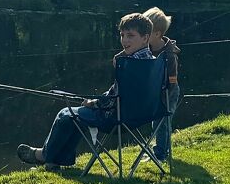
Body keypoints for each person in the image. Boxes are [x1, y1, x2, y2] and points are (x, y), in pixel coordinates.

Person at [17, 13, 156, 168]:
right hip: (141, 117)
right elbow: (121, 95)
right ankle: (56, 161)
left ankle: (43, 155)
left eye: (131, 36)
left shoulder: (129, 65)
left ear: (145, 38)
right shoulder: (153, 63)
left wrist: (94, 103)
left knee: (65, 114)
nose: (124, 40)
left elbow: (113, 98)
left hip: (116, 119)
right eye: (122, 35)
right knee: (76, 116)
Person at [142, 7, 181, 162]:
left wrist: (166, 94)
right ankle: (159, 150)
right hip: (154, 91)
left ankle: (161, 154)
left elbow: (173, 79)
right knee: (155, 122)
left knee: (162, 122)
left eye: (146, 33)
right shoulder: (146, 49)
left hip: (169, 92)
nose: (143, 36)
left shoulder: (169, 55)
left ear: (157, 34)